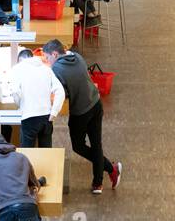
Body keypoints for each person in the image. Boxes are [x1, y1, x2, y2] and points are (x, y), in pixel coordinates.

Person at [42, 39, 121, 195]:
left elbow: (59, 92)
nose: (47, 61)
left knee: (78, 146)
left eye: (47, 58)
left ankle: (111, 169)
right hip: (96, 104)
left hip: (81, 112)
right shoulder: (77, 57)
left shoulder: (56, 69)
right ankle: (98, 183)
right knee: (96, 143)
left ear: (55, 54)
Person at [6, 48, 64, 148]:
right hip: (46, 117)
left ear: (20, 59)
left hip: (29, 117)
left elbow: (15, 91)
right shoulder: (46, 69)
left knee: (28, 154)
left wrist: (21, 104)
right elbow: (60, 91)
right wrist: (54, 112)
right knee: (46, 153)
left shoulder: (18, 68)